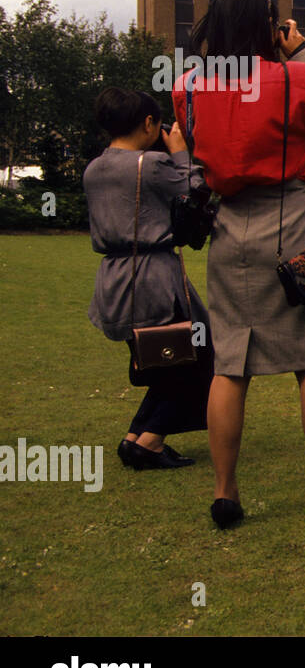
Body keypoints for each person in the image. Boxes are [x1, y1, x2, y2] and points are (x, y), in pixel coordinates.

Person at [172, 0, 305, 529]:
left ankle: (225, 493)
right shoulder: (299, 78)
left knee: (229, 366)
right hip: (293, 220)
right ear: (270, 27)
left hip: (228, 227)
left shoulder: (187, 87)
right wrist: (297, 52)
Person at [84, 87, 213, 470]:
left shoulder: (94, 168)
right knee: (199, 354)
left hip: (114, 278)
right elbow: (197, 188)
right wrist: (179, 151)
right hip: (153, 276)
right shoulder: (149, 165)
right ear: (148, 123)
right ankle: (150, 440)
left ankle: (137, 437)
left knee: (161, 358)